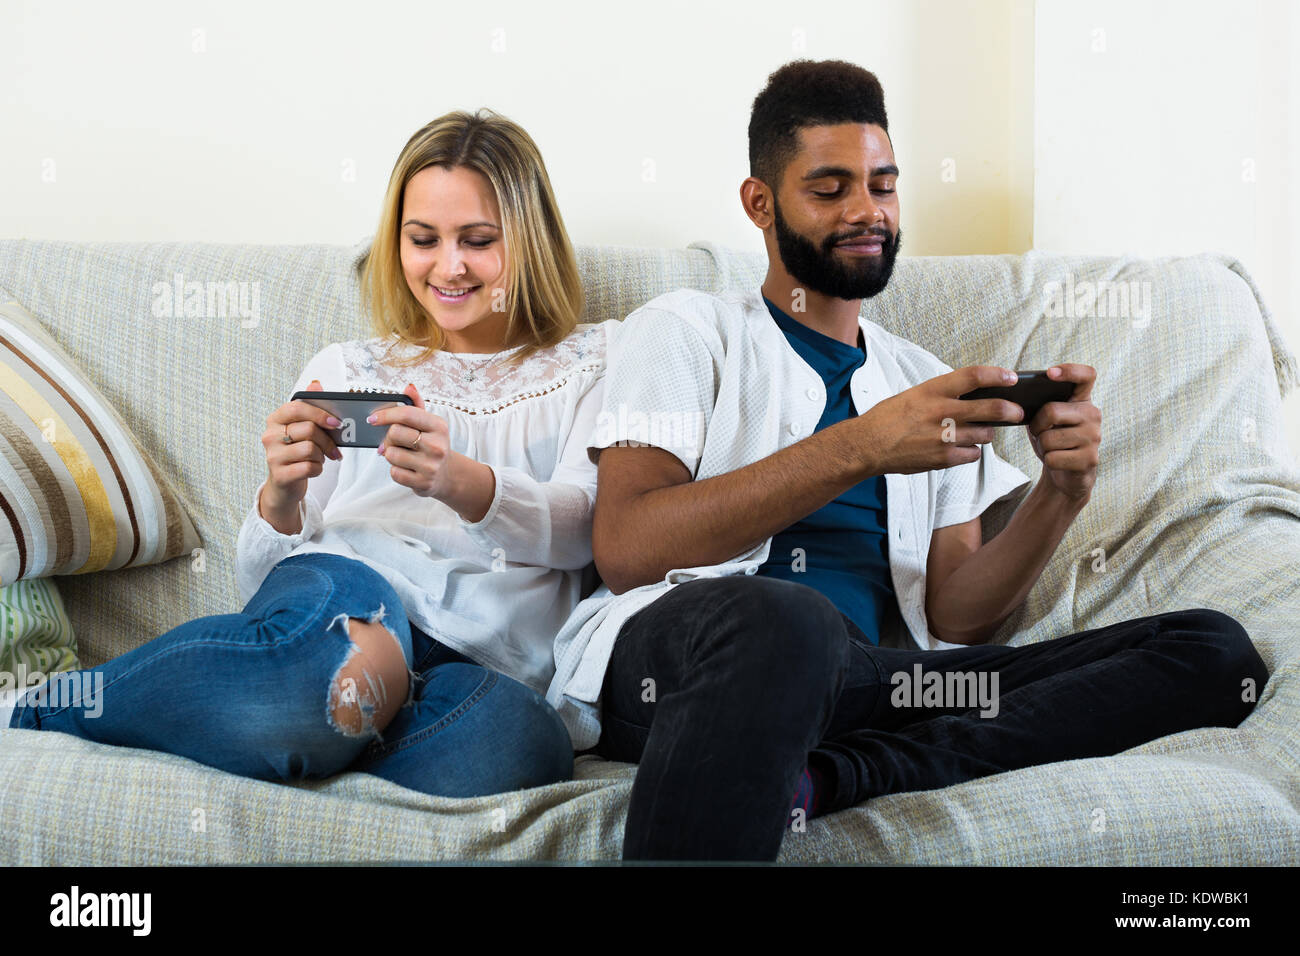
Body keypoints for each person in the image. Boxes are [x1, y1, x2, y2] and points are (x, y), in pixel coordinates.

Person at [546, 59, 1270, 860]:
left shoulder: (920, 383)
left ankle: (839, 774)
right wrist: (862, 445)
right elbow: (627, 550)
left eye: (883, 185)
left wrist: (1062, 493)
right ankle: (827, 744)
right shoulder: (685, 330)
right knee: (792, 620)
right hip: (687, 665)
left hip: (873, 687)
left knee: (1210, 650)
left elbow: (957, 613)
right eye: (830, 189)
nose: (867, 211)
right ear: (760, 203)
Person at [6, 108, 616, 799]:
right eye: (424, 240)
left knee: (521, 748)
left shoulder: (594, 362)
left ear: (529, 242)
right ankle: (43, 705)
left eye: (478, 240)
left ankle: (311, 734)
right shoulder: (349, 364)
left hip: (487, 665)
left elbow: (590, 529)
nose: (449, 266)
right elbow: (257, 585)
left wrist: (461, 482)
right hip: (357, 596)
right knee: (341, 670)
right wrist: (282, 495)